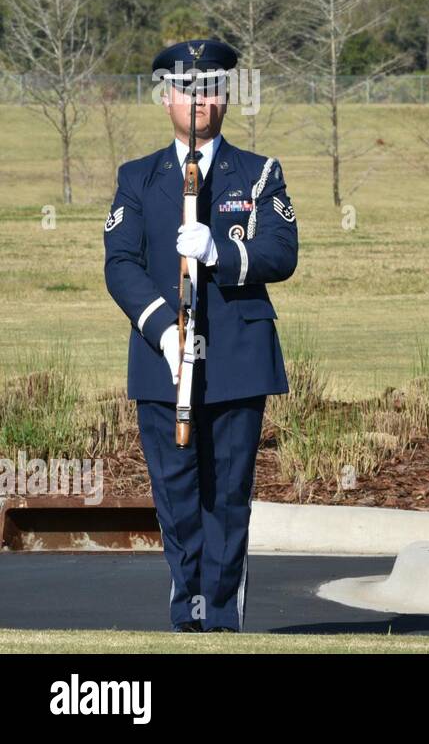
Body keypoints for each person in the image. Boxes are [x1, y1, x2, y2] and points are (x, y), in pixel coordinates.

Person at [103, 39, 297, 633]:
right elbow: (120, 264)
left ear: (226, 97)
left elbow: (280, 253)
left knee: (227, 495)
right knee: (177, 495)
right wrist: (163, 330)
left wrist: (221, 251)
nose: (198, 100)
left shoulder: (258, 173)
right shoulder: (139, 177)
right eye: (186, 89)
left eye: (210, 88)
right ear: (166, 97)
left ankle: (220, 616)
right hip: (165, 361)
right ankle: (187, 602)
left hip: (237, 357)